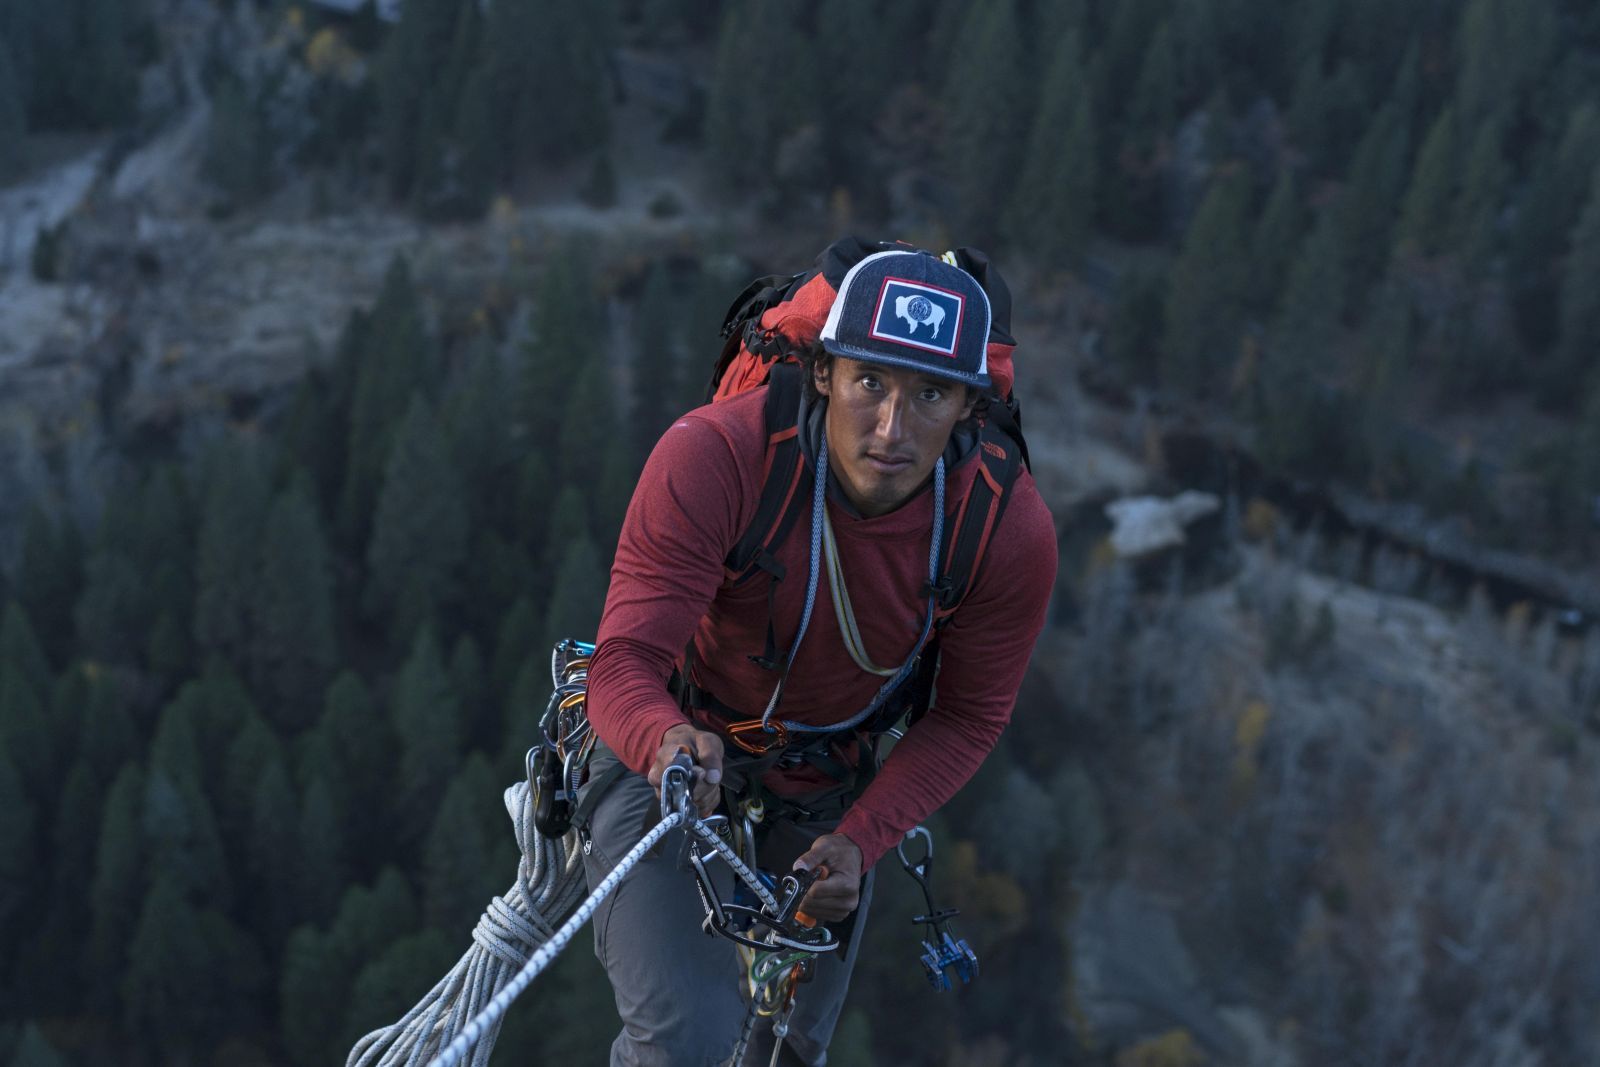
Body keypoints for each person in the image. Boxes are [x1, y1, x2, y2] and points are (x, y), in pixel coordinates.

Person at [579, 247, 1058, 1066]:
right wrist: (664, 742)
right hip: (665, 747)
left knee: (787, 1054)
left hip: (825, 776)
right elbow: (624, 660)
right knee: (685, 1044)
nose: (892, 428)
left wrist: (861, 840)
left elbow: (968, 717)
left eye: (929, 394)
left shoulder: (1003, 528)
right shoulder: (718, 454)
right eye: (871, 381)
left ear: (969, 407)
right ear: (824, 372)